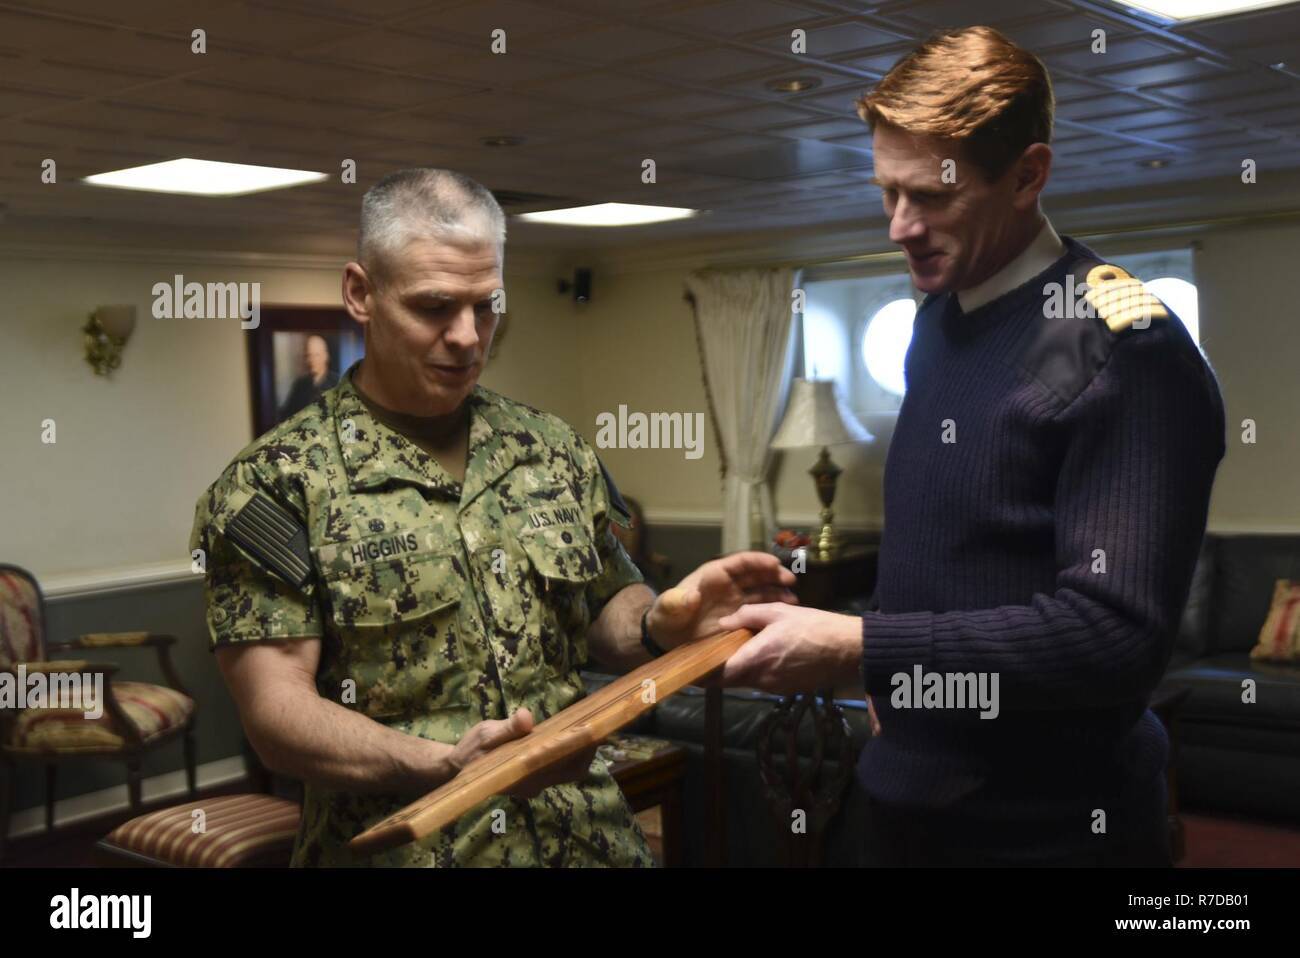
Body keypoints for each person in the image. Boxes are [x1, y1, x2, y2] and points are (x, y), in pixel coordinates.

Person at [717, 26, 1226, 866]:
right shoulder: (938, 320)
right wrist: (898, 677)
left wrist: (861, 650)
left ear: (1029, 175)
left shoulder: (1125, 349)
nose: (899, 226)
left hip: (1050, 833)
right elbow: (952, 556)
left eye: (931, 197)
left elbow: (1114, 639)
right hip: (900, 802)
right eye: (888, 193)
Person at [190, 168, 796, 867]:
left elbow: (606, 602)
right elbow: (276, 717)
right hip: (413, 848)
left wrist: (662, 623)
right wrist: (443, 762)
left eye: (487, 306)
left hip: (587, 840)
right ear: (361, 292)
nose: (468, 337)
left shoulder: (550, 447)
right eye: (435, 307)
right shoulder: (274, 486)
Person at [277, 334, 338, 421]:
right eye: (309, 355)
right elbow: (287, 415)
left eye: (316, 355)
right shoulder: (299, 385)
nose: (312, 360)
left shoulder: (338, 383)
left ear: (326, 356)